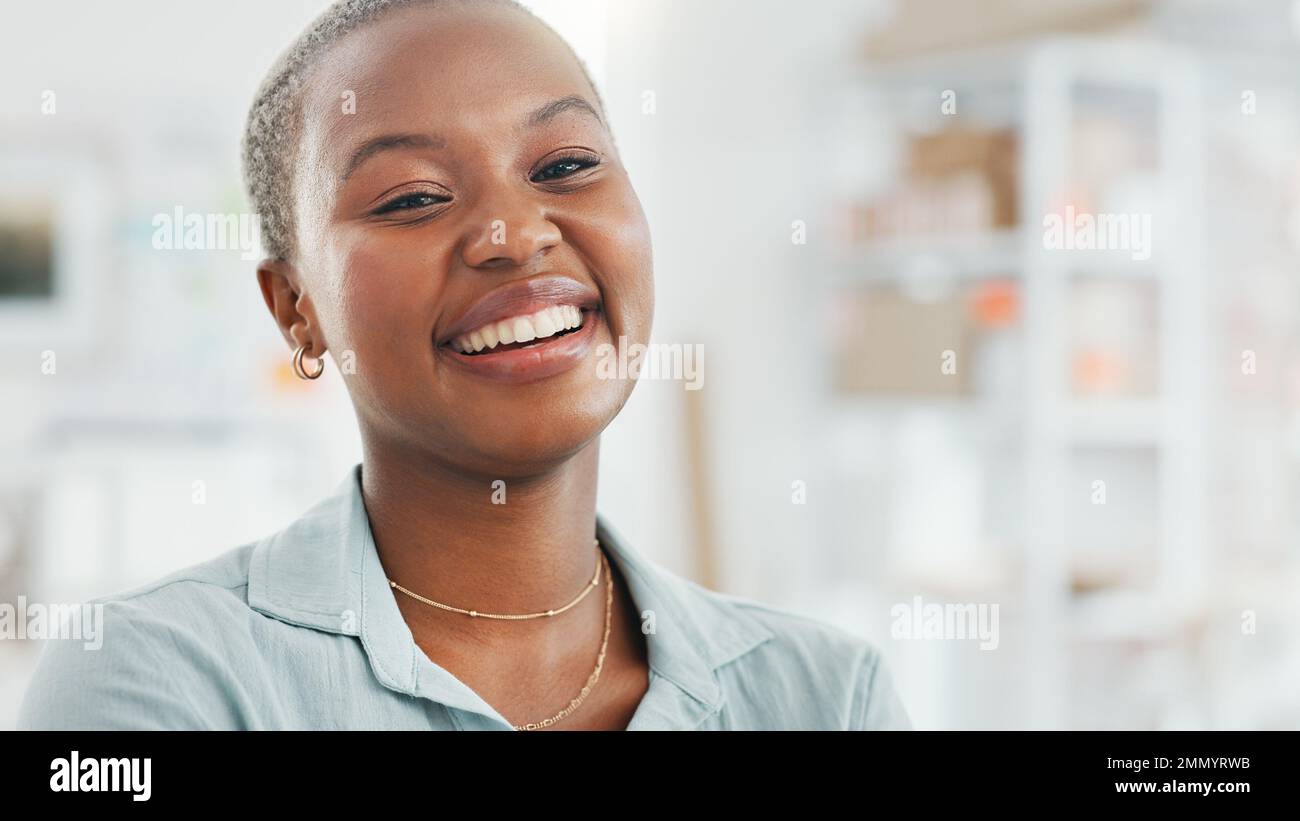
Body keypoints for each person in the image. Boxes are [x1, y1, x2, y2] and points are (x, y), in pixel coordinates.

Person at [17, 0, 911, 730]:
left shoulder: (826, 696)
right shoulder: (154, 682)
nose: (516, 234)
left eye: (565, 164)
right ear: (298, 310)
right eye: (412, 197)